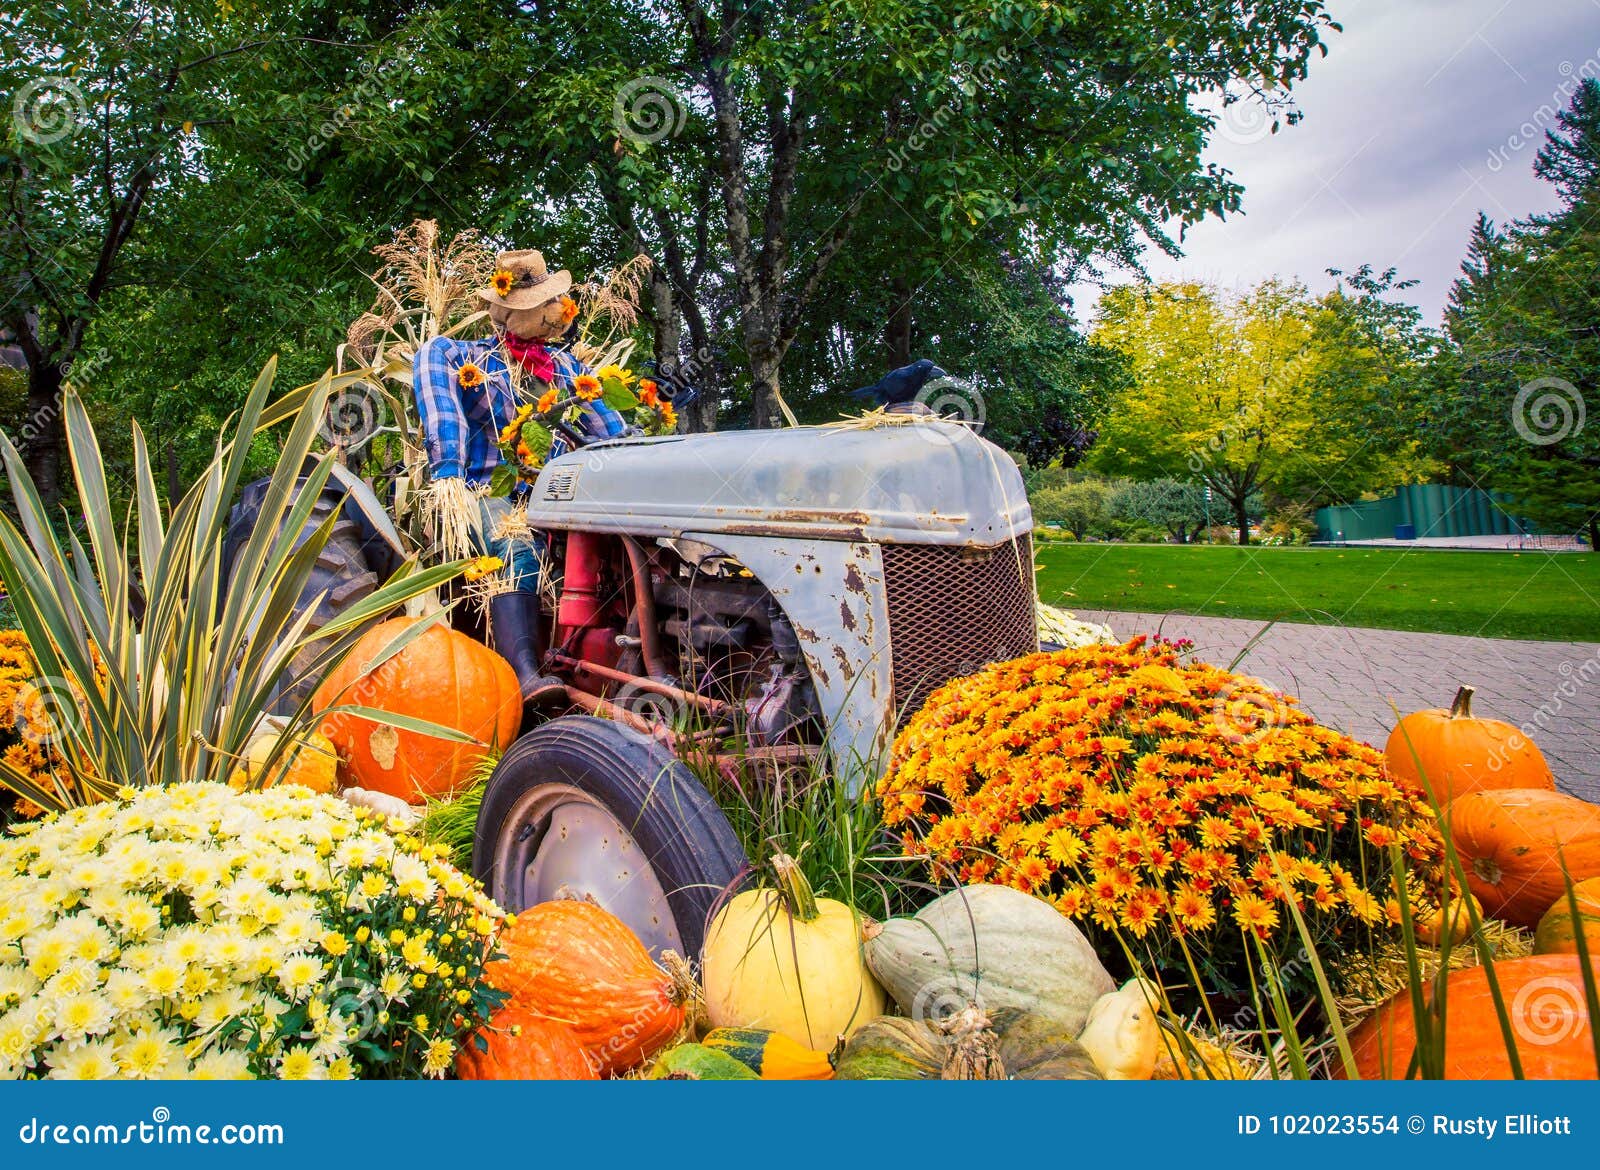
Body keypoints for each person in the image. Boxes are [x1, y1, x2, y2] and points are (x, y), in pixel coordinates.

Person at [413, 248, 624, 708]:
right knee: (517, 543)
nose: (556, 314)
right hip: (487, 493)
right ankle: (526, 677)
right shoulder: (456, 357)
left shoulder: (571, 371)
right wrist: (448, 474)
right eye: (539, 306)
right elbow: (443, 416)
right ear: (506, 313)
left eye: (555, 302)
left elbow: (612, 437)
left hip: (560, 500)